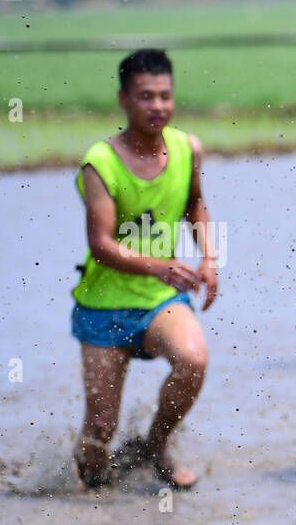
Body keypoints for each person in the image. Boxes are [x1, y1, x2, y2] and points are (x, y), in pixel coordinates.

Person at [71, 48, 218, 490]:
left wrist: (209, 258)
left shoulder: (187, 148)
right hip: (104, 307)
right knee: (98, 438)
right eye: (145, 96)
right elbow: (100, 245)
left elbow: (195, 205)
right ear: (123, 99)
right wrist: (161, 265)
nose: (158, 106)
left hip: (158, 300)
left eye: (165, 96)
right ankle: (94, 511)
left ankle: (156, 443)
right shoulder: (101, 162)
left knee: (193, 359)